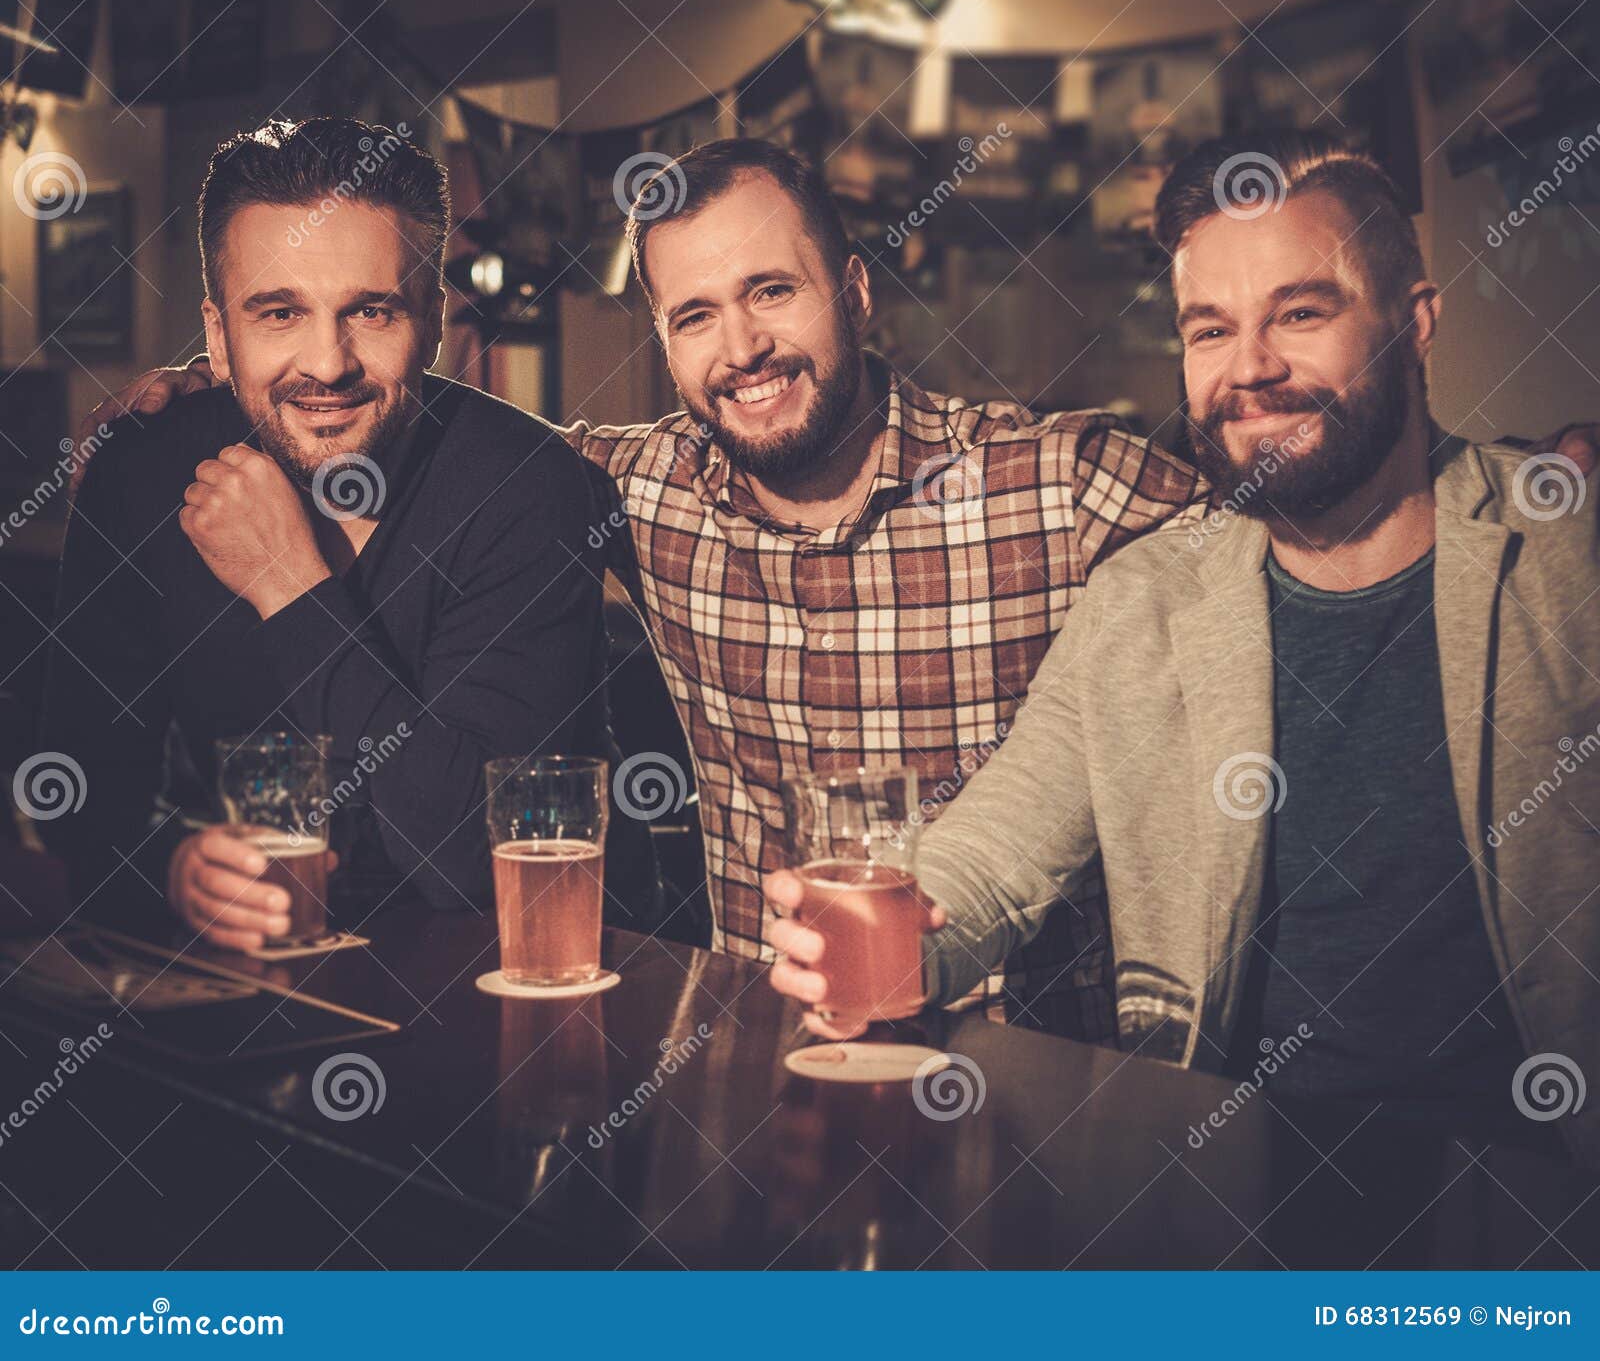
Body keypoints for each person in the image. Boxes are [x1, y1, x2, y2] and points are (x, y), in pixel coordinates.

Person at [82, 137, 1597, 1038]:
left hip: (1021, 1071)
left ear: (856, 292)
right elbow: (427, 417)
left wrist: (1547, 474)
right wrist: (227, 388)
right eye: (693, 315)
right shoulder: (631, 483)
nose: (738, 344)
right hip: (748, 1056)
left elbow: (1298, 482)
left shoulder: (1064, 487)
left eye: (774, 290)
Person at [769, 131, 1600, 1165]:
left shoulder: (1567, 549)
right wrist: (882, 925)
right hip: (1221, 1185)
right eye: (1209, 330)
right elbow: (993, 850)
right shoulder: (1143, 601)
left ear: (1415, 322)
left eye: (1300, 313)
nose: (1249, 368)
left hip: (1535, 1205)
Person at [40, 117, 645, 951]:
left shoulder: (527, 486)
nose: (327, 363)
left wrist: (290, 584)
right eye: (279, 312)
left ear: (432, 322)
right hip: (245, 1004)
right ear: (218, 337)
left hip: (508, 1006)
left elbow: (472, 859)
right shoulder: (140, 475)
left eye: (370, 310)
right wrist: (169, 867)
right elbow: (74, 796)